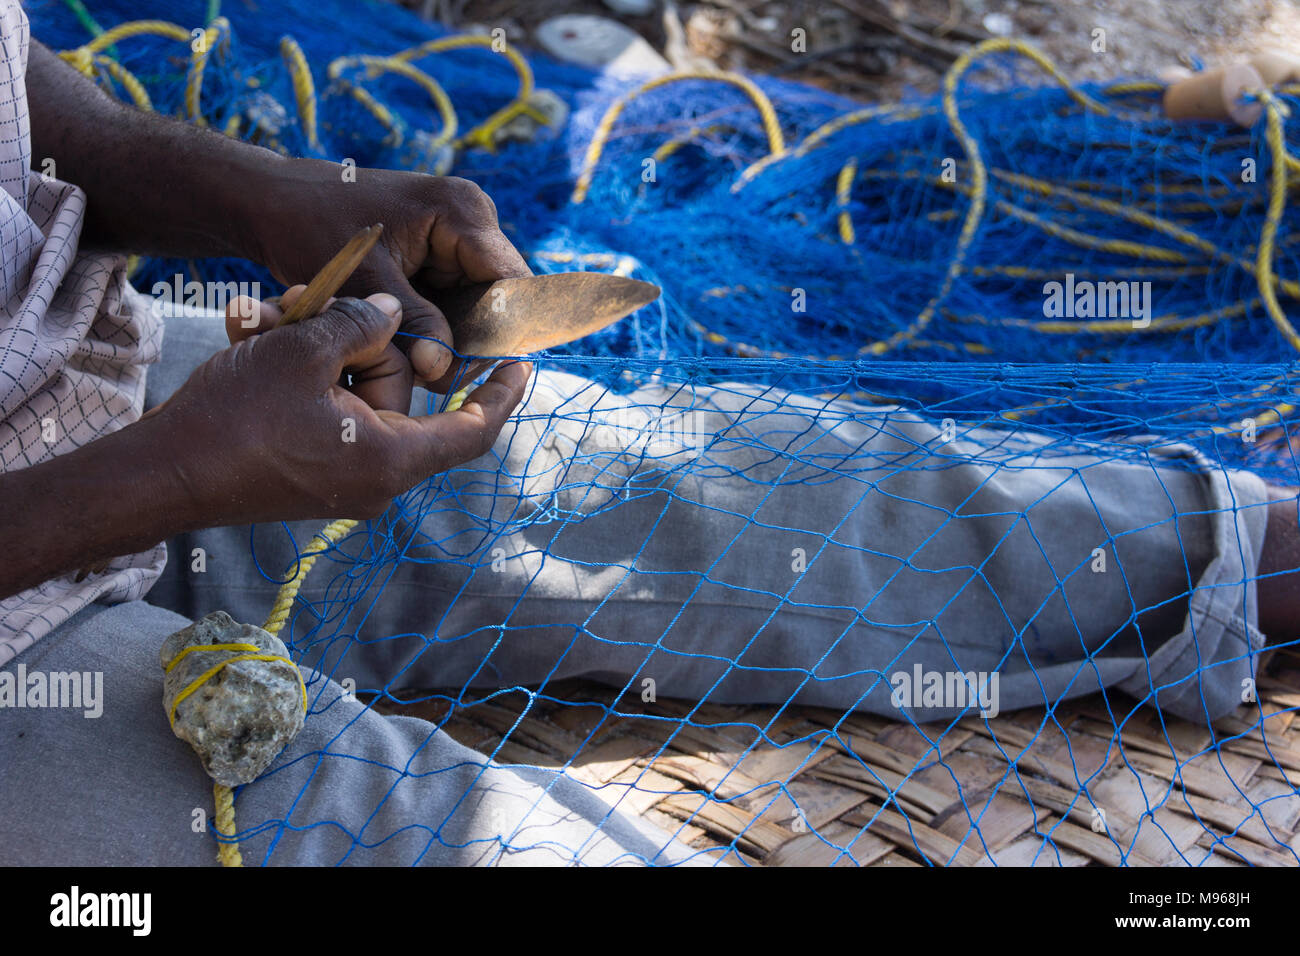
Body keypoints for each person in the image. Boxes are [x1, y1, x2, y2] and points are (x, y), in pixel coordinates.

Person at [1, 1, 1296, 865]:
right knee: (462, 839)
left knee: (688, 481)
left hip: (74, 402)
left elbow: (20, 95)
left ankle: (1242, 551)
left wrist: (275, 194)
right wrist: (162, 482)